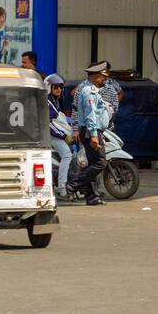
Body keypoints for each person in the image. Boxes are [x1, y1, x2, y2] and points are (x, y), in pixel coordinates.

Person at [70, 61, 111, 206]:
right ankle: (74, 184)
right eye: (102, 76)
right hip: (90, 131)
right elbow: (90, 114)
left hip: (90, 130)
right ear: (95, 77)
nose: (104, 79)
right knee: (100, 162)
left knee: (93, 164)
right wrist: (94, 135)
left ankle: (92, 197)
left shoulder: (92, 89)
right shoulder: (89, 91)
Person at [44, 74, 73, 199]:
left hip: (59, 134)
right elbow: (49, 124)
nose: (59, 90)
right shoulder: (47, 102)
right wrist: (63, 135)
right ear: (49, 87)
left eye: (61, 87)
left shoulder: (55, 100)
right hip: (53, 136)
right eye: (56, 87)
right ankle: (62, 189)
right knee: (67, 155)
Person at [100, 61, 123, 127]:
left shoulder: (111, 82)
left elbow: (121, 93)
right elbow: (74, 92)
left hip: (107, 116)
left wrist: (111, 106)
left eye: (107, 70)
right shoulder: (91, 82)